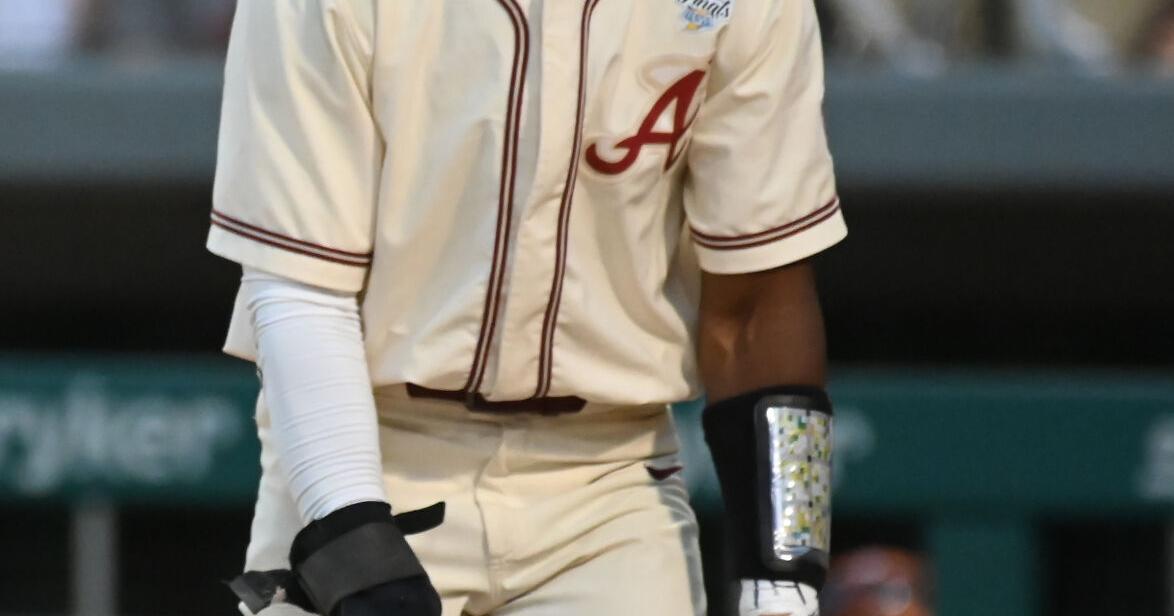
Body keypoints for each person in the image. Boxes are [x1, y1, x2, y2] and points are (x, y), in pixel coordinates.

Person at [207, 1, 847, 615]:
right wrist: (352, 538)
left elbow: (757, 301)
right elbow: (301, 290)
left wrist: (784, 587)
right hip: (373, 444)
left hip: (609, 482)